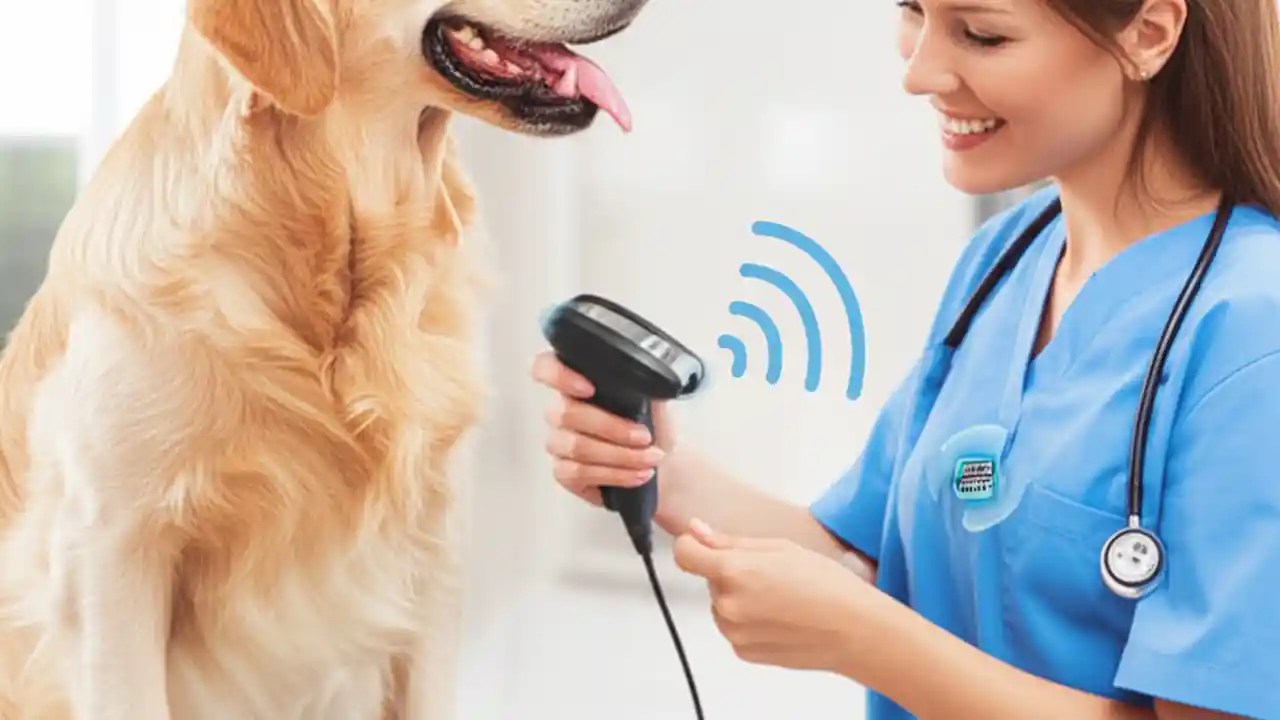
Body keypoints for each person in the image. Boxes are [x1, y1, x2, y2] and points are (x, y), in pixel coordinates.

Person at [530, 0, 1280, 718]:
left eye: (982, 34)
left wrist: (865, 642)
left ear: (1148, 34)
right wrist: (665, 473)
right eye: (913, 10)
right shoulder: (1007, 258)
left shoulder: (1252, 331)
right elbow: (875, 560)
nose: (918, 73)